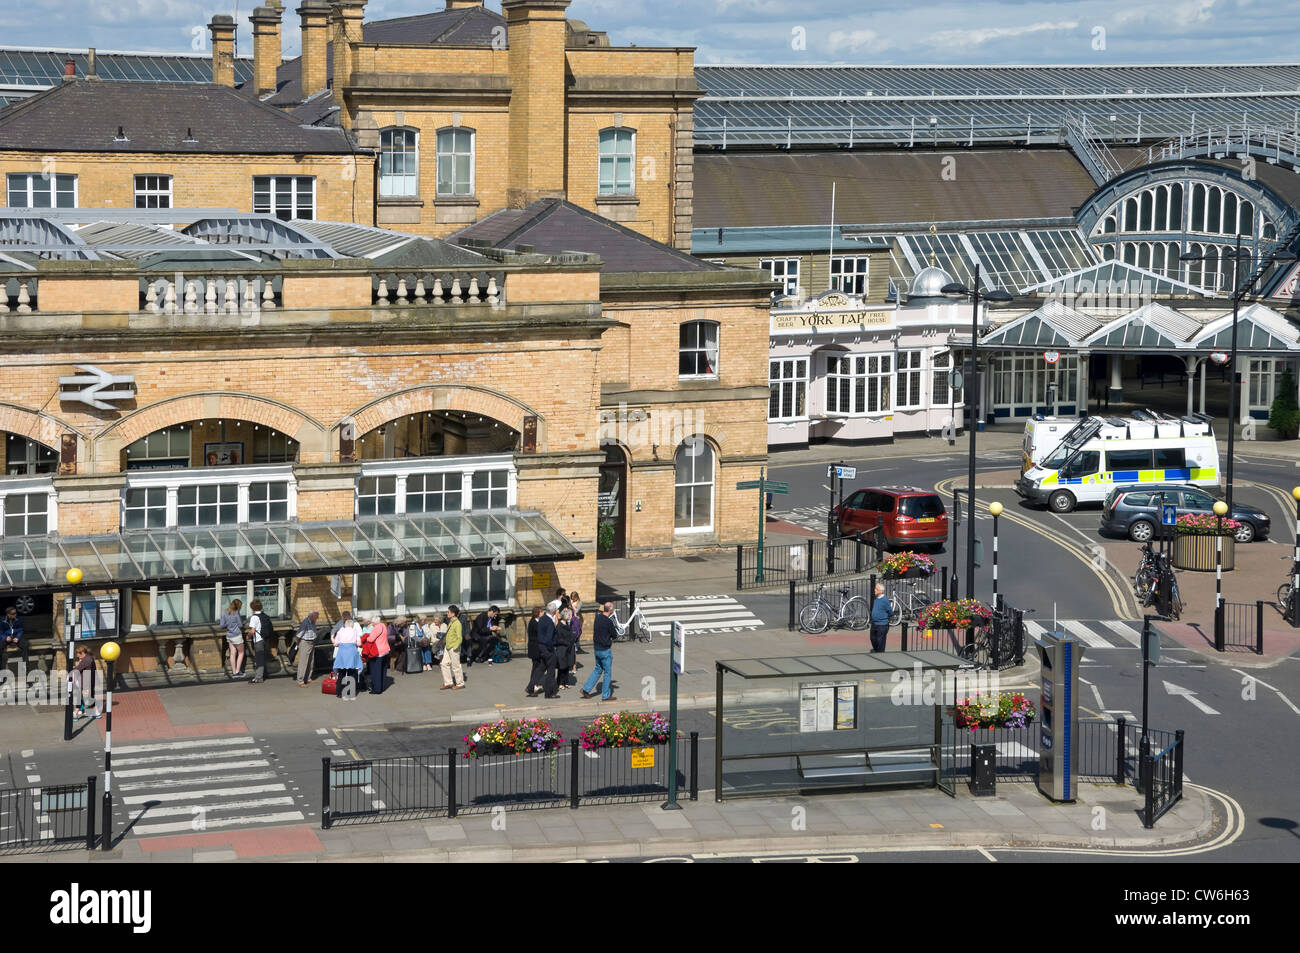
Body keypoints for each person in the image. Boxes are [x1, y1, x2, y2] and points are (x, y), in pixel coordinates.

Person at [581, 602, 617, 701]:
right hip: (605, 650)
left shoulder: (598, 618)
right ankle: (605, 695)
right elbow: (614, 635)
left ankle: (586, 689)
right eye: (612, 608)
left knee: (598, 669)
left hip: (597, 649)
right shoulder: (608, 621)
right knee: (607, 673)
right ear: (610, 610)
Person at [331, 614, 362, 700]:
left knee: (341, 673)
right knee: (352, 672)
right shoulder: (355, 632)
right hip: (352, 654)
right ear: (352, 625)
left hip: (342, 655)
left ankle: (339, 692)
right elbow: (359, 644)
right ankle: (351, 692)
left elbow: (336, 644)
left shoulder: (340, 631)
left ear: (345, 625)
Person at [71, 645, 102, 720]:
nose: (77, 656)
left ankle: (76, 713)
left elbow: (78, 669)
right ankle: (94, 712)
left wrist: (83, 687)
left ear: (81, 652)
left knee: (82, 697)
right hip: (88, 682)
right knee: (88, 697)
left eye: (77, 654)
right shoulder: (88, 658)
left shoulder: (86, 660)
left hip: (85, 683)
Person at [362, 615, 391, 694]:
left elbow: (370, 639)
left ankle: (377, 689)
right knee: (383, 671)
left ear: (374, 622)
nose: (371, 624)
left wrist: (366, 637)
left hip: (378, 652)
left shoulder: (376, 628)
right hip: (386, 650)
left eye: (372, 623)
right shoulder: (383, 625)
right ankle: (381, 687)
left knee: (376, 671)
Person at [537, 601, 560, 698]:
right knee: (551, 672)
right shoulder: (550, 622)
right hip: (548, 649)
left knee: (541, 668)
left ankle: (531, 686)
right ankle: (549, 693)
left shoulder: (542, 619)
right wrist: (552, 650)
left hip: (541, 647)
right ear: (554, 611)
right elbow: (549, 639)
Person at [247, 598, 273, 684]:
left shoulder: (254, 617)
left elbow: (252, 631)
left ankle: (258, 678)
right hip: (266, 639)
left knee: (259, 659)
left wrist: (248, 636)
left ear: (252, 608)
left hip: (258, 640)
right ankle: (264, 674)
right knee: (264, 657)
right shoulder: (264, 615)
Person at [440, 605, 466, 690]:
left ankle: (460, 683)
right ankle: (448, 682)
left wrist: (455, 647)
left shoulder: (457, 623)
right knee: (444, 664)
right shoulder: (451, 622)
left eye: (448, 612)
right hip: (448, 646)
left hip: (453, 647)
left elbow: (459, 637)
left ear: (453, 613)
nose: (447, 613)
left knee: (456, 666)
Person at [293, 611, 320, 687]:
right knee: (303, 662)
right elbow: (298, 635)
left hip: (311, 642)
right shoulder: (305, 622)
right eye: (316, 617)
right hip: (305, 642)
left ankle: (308, 678)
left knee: (311, 661)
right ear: (311, 616)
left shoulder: (313, 622)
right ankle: (300, 681)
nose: (317, 619)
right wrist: (298, 643)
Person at [220, 599, 246, 677]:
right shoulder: (236, 613)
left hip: (229, 635)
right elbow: (240, 625)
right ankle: (238, 672)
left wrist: (228, 624)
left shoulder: (225, 612)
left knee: (232, 653)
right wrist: (243, 622)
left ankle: (234, 672)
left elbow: (222, 625)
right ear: (238, 606)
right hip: (237, 635)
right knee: (241, 653)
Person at [523, 607, 545, 697]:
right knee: (537, 667)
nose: (543, 613)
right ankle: (531, 686)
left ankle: (533, 685)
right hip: (535, 649)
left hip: (536, 648)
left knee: (536, 667)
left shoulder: (536, 621)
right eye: (542, 612)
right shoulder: (534, 623)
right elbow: (537, 636)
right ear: (538, 613)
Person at [554, 607, 576, 689]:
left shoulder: (567, 624)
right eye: (570, 615)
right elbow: (558, 639)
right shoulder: (559, 626)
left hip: (569, 649)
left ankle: (566, 682)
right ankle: (560, 683)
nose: (571, 616)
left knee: (567, 666)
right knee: (562, 667)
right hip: (562, 648)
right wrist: (567, 642)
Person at [1, 606, 26, 673]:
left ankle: (27, 674)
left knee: (25, 645)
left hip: (15, 637)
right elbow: (1, 631)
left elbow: (21, 630)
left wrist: (18, 637)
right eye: (13, 613)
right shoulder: (2, 620)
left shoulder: (18, 619)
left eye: (15, 613)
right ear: (8, 614)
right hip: (7, 638)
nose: (15, 614)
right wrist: (5, 637)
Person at [870, 583, 892, 653]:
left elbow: (890, 611)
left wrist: (886, 618)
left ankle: (880, 654)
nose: (874, 590)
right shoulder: (876, 598)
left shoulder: (885, 600)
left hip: (882, 624)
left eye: (876, 589)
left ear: (881, 591)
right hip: (874, 623)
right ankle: (876, 650)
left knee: (880, 642)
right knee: (872, 638)